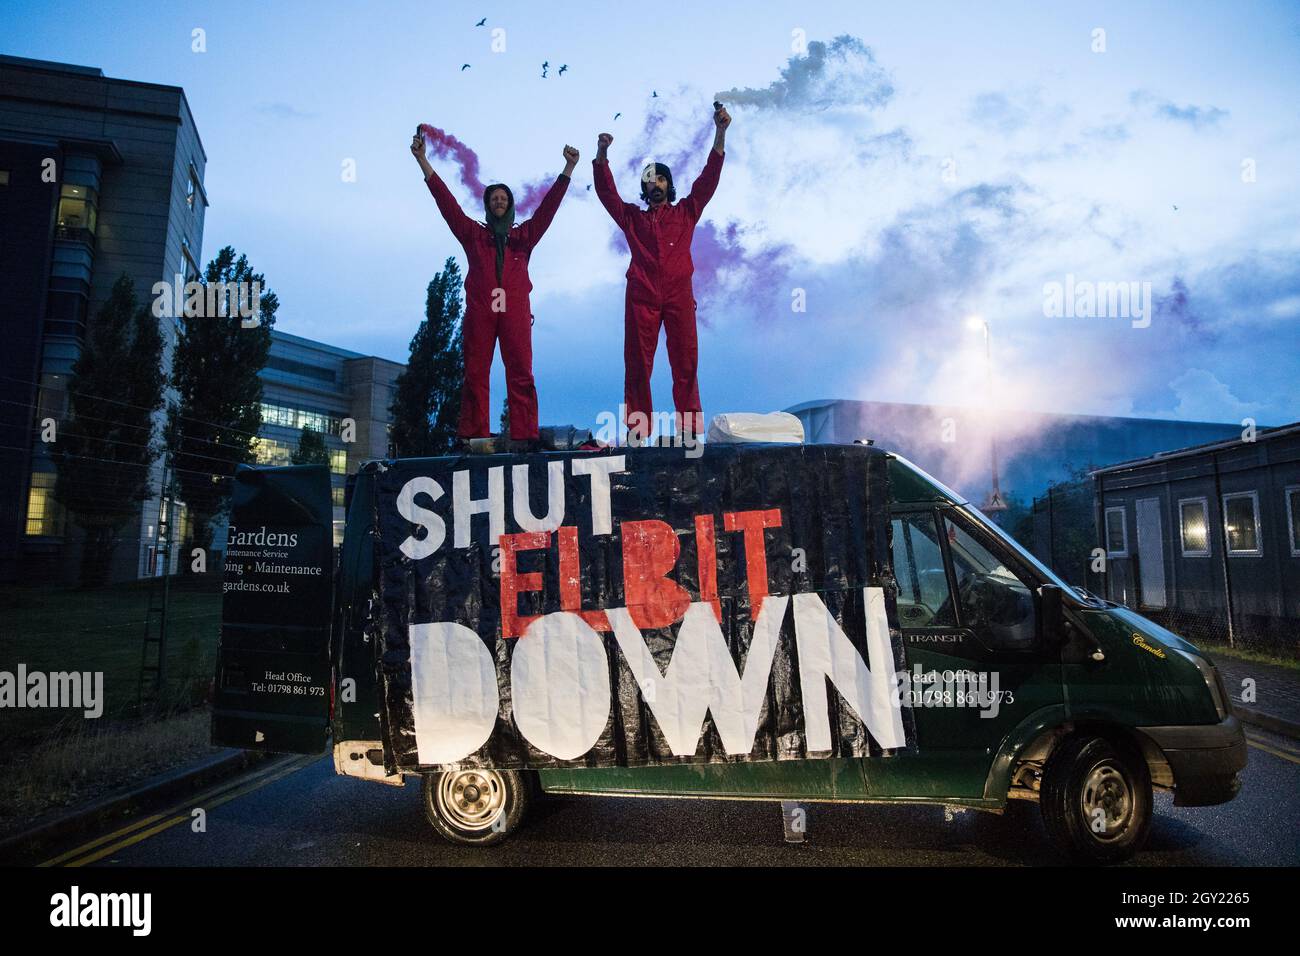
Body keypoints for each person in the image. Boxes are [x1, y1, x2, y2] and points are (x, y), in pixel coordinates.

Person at [410, 131, 577, 450]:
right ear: (488, 205)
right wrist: (423, 161)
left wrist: (567, 170)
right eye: (493, 198)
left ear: (510, 205)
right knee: (475, 371)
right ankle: (474, 436)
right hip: (481, 311)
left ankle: (525, 435)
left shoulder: (525, 235)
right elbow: (448, 205)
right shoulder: (473, 234)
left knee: (521, 372)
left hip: (513, 310)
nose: (499, 201)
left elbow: (548, 210)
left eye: (504, 198)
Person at [592, 105, 730, 445]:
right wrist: (601, 155)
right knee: (637, 364)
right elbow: (607, 194)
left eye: (661, 178)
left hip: (678, 295)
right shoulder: (633, 218)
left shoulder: (686, 211)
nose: (655, 184)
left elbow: (708, 179)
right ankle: (638, 432)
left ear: (669, 184)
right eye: (649, 180)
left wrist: (721, 132)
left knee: (685, 360)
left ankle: (688, 431)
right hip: (642, 295)